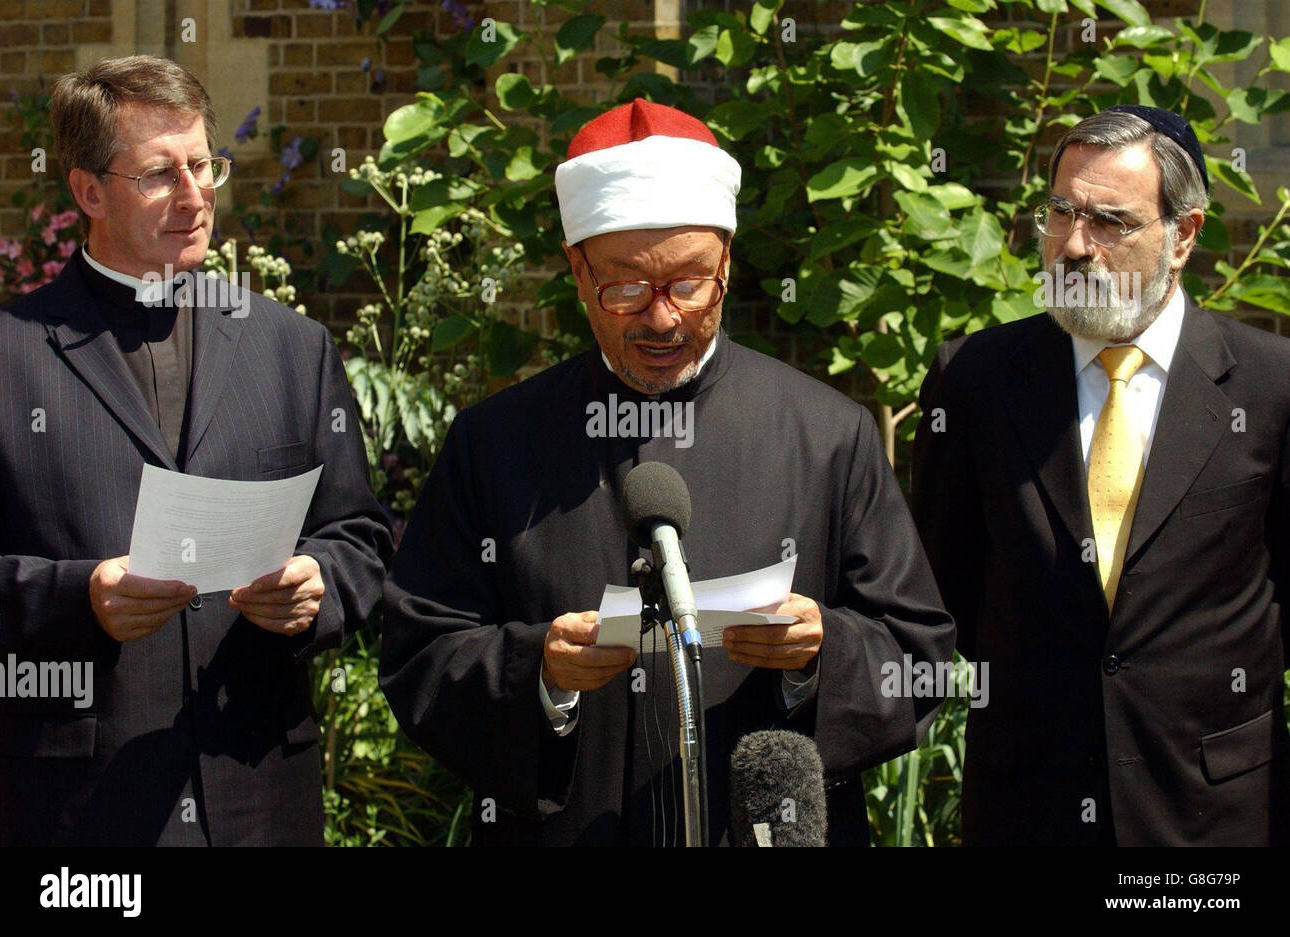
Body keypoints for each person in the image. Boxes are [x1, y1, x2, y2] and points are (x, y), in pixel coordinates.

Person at [380, 99, 955, 846]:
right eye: (625, 287)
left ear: (727, 264)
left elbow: (918, 655)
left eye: (690, 283)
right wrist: (542, 675)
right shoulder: (494, 442)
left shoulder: (827, 434)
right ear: (577, 270)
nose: (661, 319)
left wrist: (818, 656)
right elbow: (421, 651)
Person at [0, 55, 392, 845]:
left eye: (204, 164)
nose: (195, 194)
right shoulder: (5, 357)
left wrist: (317, 585)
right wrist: (79, 600)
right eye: (159, 174)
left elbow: (362, 536)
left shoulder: (290, 345)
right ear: (88, 191)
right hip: (79, 814)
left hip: (260, 796)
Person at [912, 105, 1290, 846]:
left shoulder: (1269, 387)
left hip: (1214, 818)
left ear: (1183, 235)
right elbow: (944, 585)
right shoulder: (977, 380)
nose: (1073, 246)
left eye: (1110, 222)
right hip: (1029, 806)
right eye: (1060, 212)